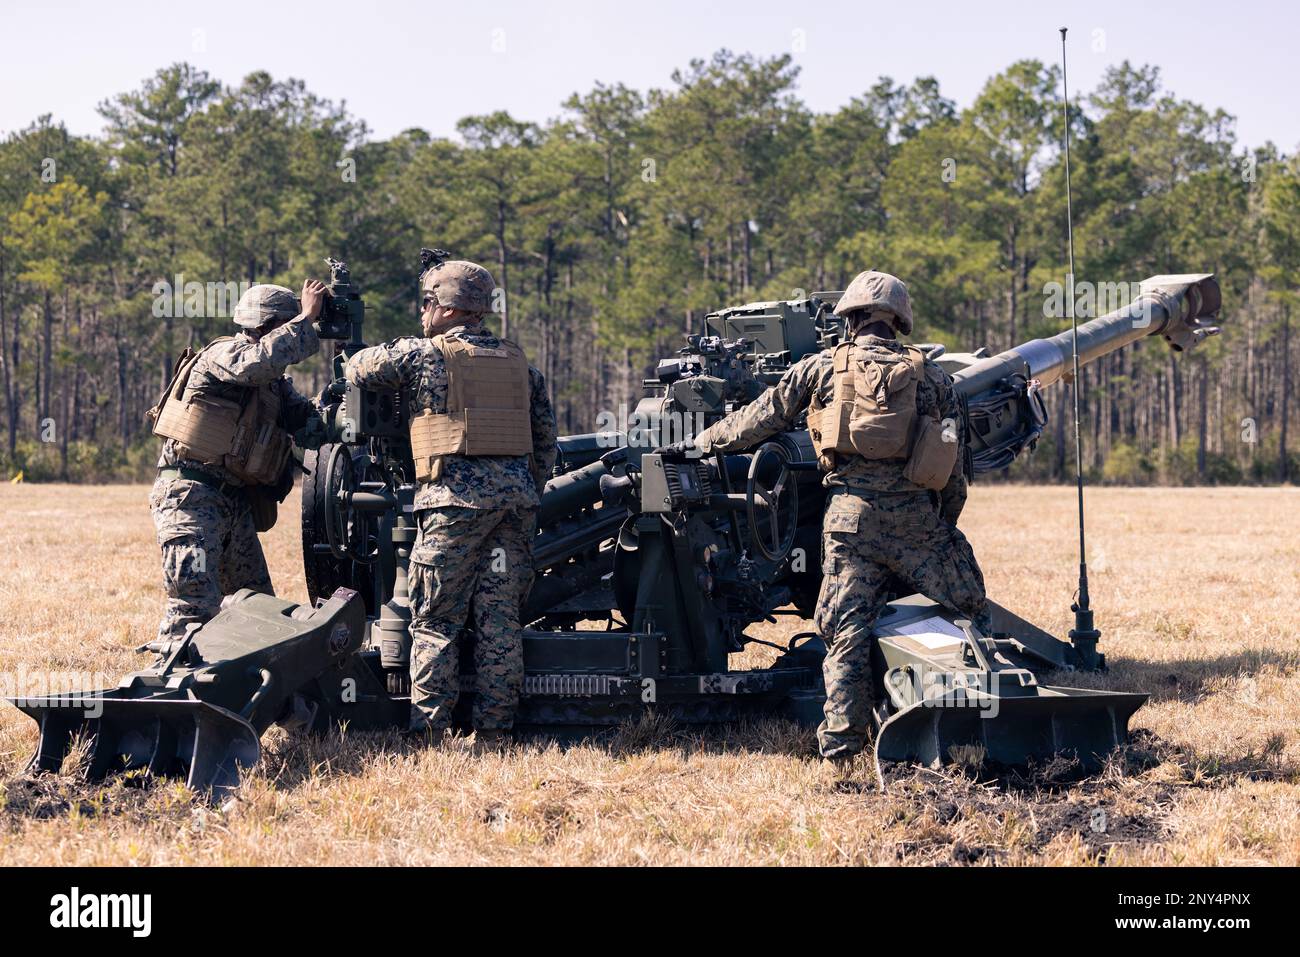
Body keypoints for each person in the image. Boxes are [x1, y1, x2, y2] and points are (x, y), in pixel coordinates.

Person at [657, 270, 989, 771]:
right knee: (970, 610)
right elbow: (954, 469)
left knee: (844, 635)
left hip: (850, 524)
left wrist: (700, 444)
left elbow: (760, 418)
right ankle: (975, 730)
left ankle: (840, 756)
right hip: (918, 521)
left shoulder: (822, 369)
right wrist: (940, 527)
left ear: (850, 318)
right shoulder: (933, 378)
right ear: (899, 320)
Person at [343, 260, 557, 745]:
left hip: (453, 506)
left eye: (428, 303)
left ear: (451, 308)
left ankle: (431, 733)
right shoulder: (522, 365)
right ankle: (496, 731)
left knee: (435, 618)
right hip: (514, 509)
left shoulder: (425, 357)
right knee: (499, 619)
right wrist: (525, 491)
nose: (423, 312)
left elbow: (357, 368)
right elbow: (546, 444)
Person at [148, 279, 328, 643]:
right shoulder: (223, 355)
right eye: (287, 324)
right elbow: (255, 364)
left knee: (258, 610)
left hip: (233, 504)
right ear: (266, 326)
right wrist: (306, 320)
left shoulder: (274, 387)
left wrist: (352, 404)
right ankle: (174, 687)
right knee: (194, 605)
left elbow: (310, 426)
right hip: (191, 497)